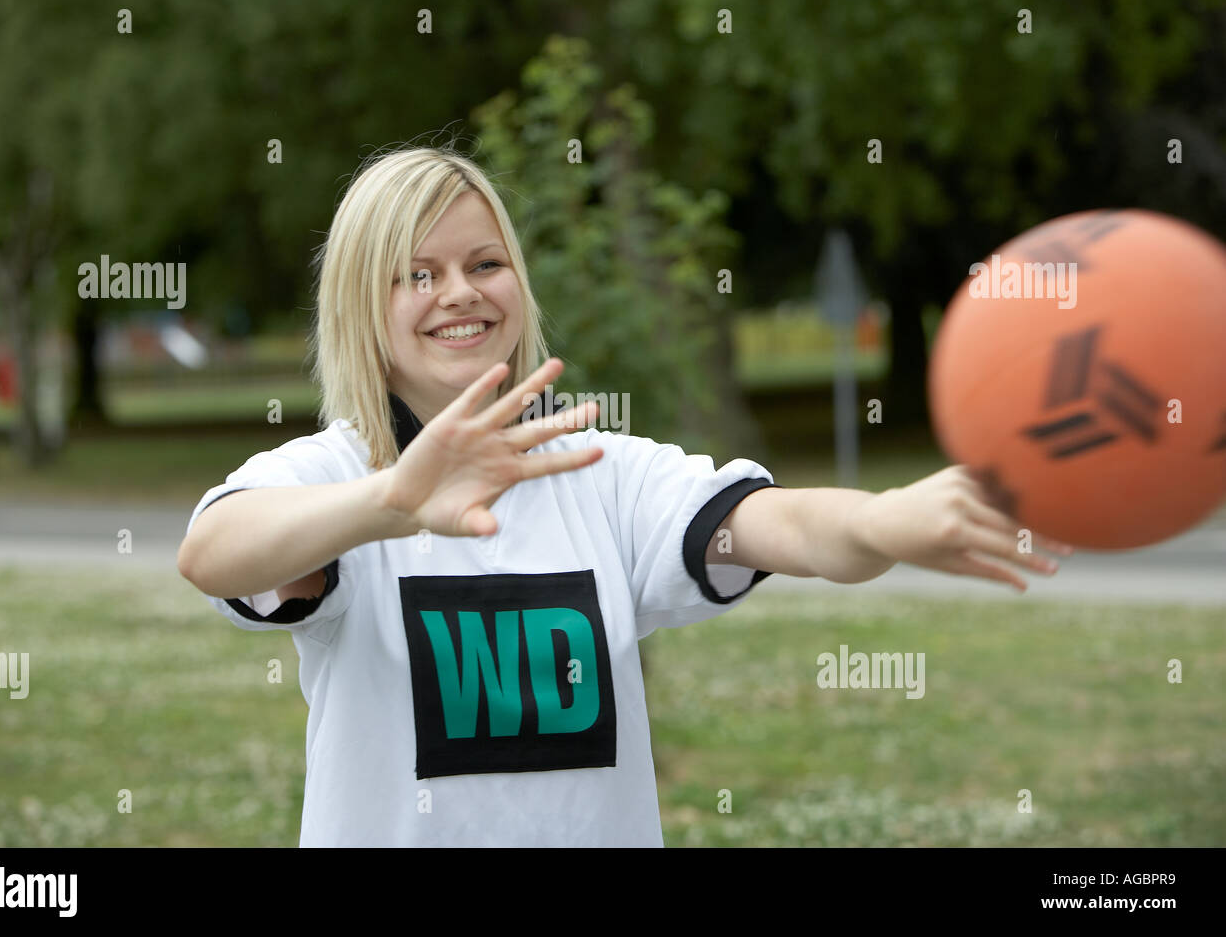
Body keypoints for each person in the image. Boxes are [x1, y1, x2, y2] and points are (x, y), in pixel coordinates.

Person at [176, 145, 1072, 846]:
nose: (460, 293)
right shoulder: (332, 476)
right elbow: (212, 553)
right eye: (419, 273)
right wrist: (395, 501)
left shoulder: (603, 471)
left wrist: (884, 519)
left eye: (486, 264)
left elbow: (779, 526)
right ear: (360, 307)